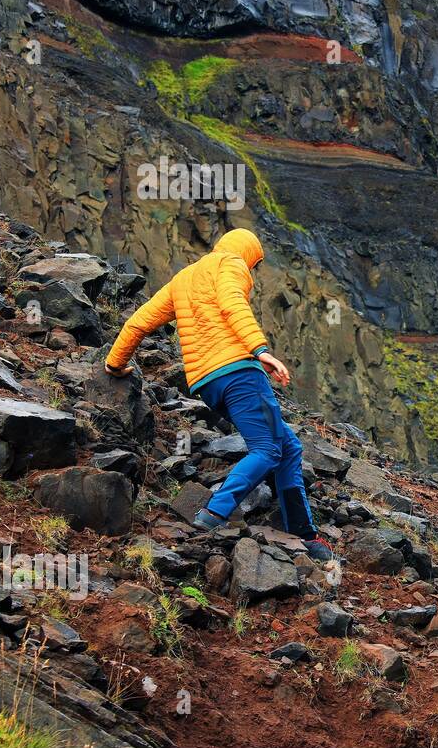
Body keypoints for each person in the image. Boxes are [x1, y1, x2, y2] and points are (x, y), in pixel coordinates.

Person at [103, 228, 333, 561]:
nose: (251, 272)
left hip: (206, 383)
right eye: (254, 265)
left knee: (288, 447)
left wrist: (115, 363)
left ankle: (303, 534)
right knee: (267, 448)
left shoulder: (185, 278)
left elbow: (140, 321)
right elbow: (232, 302)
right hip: (239, 374)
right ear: (248, 255)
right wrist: (261, 351)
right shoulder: (231, 264)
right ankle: (214, 512)